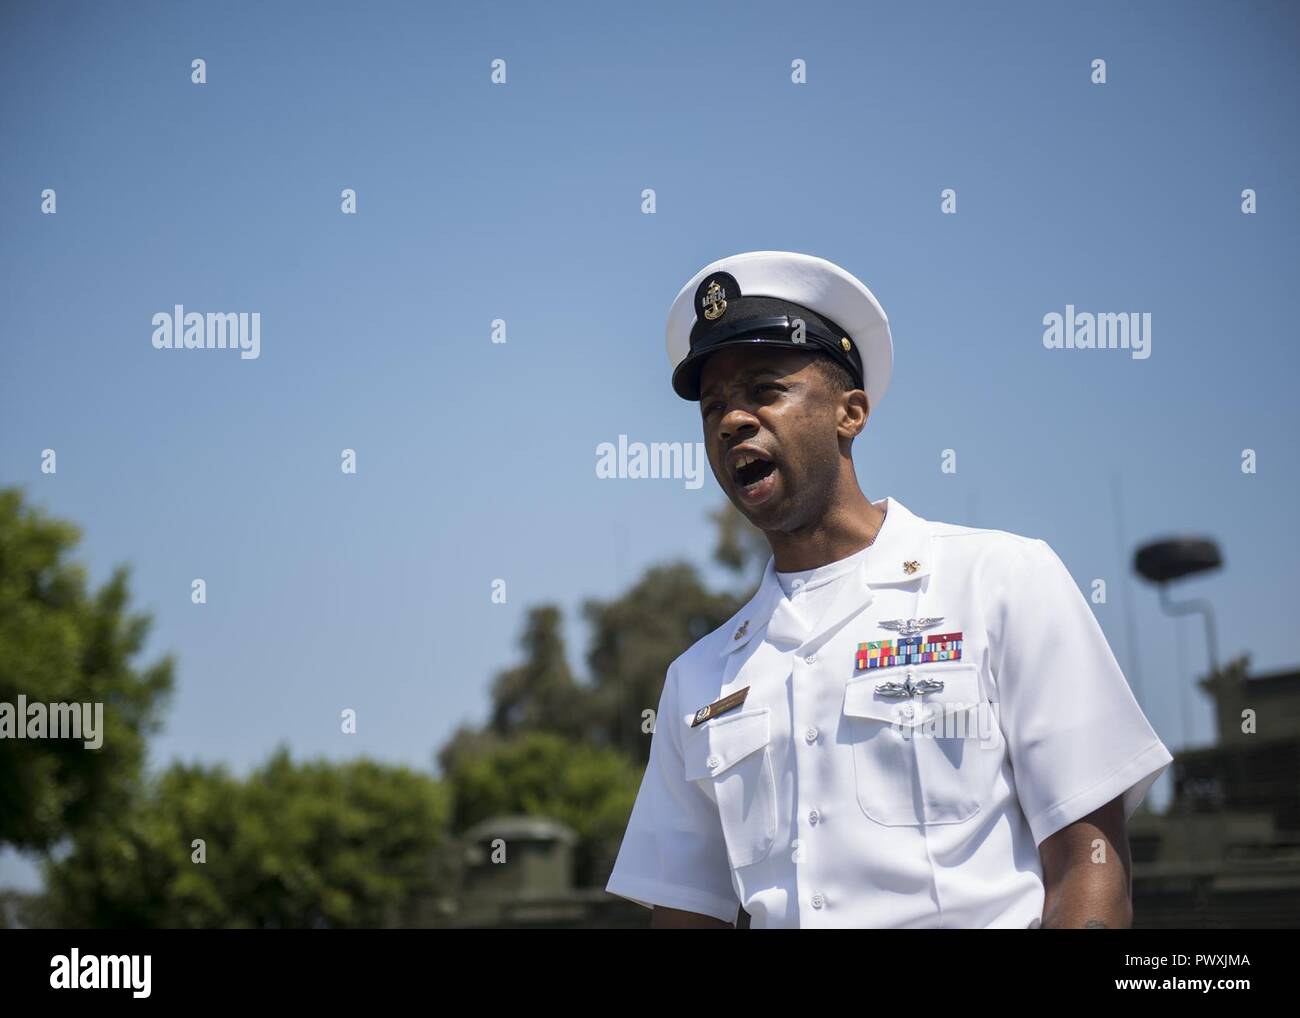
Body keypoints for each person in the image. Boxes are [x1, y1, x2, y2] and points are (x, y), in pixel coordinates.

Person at [604, 250, 1173, 928]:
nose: (732, 421)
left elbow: (1091, 868)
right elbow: (684, 916)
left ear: (851, 412)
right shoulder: (696, 683)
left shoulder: (1001, 583)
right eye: (714, 407)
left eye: (764, 390)